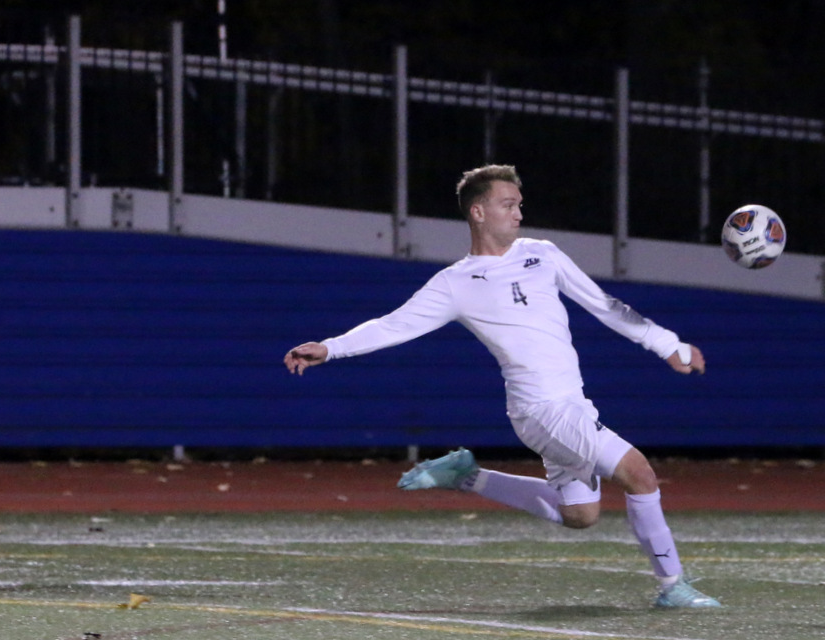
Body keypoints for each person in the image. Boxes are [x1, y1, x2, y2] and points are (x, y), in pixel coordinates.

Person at [283, 164, 720, 609]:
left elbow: (605, 306)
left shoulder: (543, 254)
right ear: (478, 212)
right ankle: (673, 586)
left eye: (519, 204)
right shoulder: (456, 283)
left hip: (572, 404)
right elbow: (394, 325)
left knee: (581, 515)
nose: (518, 213)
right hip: (541, 410)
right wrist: (331, 348)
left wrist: (667, 343)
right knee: (639, 474)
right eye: (508, 205)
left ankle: (466, 476)